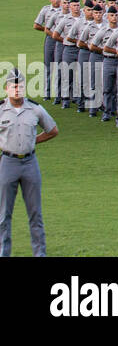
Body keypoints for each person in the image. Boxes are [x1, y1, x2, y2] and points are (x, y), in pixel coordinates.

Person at [0, 70, 58, 257]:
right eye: (14, 86)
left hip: (30, 162)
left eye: (20, 86)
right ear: (7, 88)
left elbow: (52, 130)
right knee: (3, 215)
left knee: (35, 214)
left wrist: (34, 141)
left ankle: (39, 253)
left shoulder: (35, 109)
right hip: (8, 162)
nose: (17, 90)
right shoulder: (1, 110)